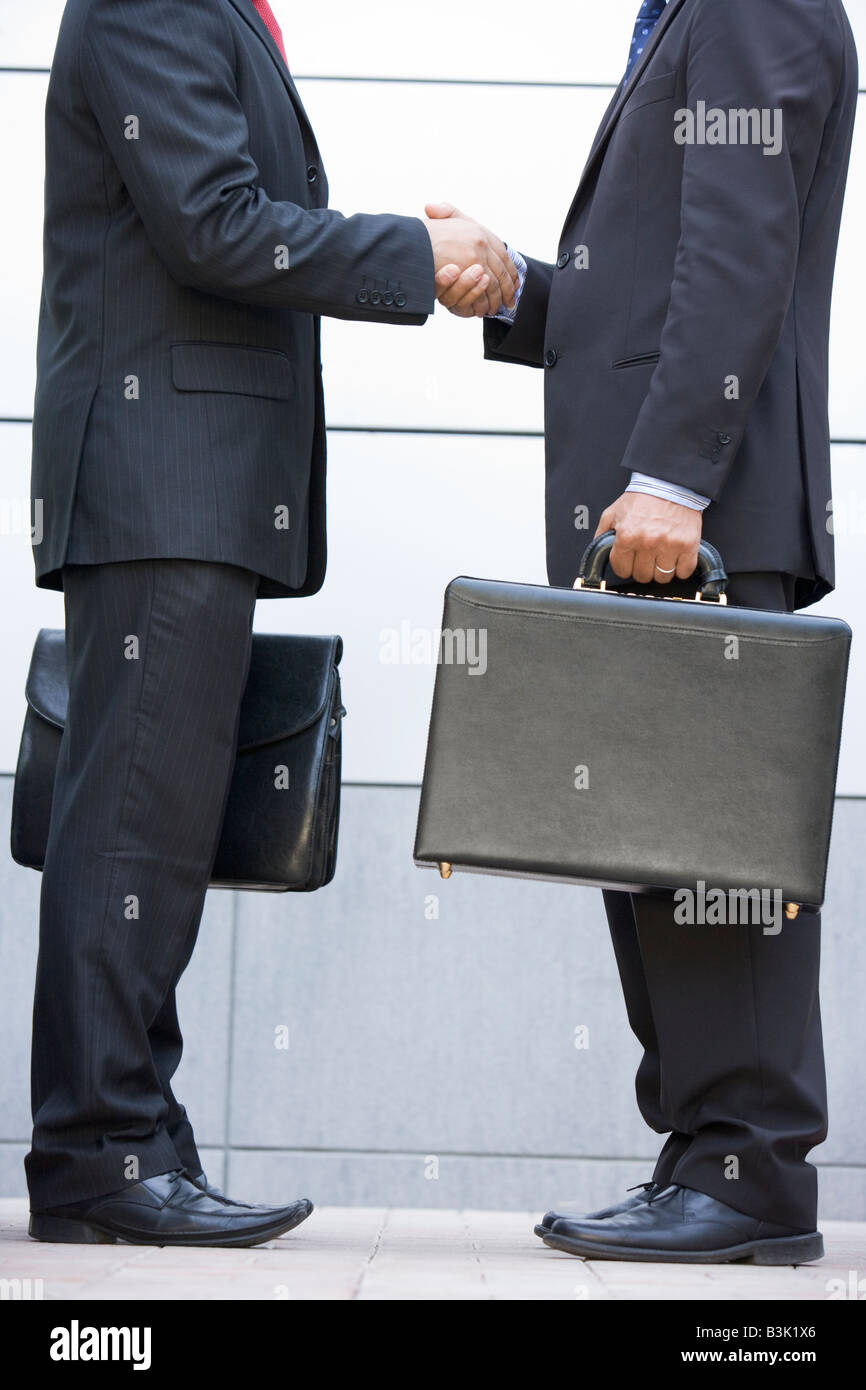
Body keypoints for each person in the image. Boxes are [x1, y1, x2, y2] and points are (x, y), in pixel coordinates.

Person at [26, 0, 512, 1247]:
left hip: (187, 484)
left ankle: (134, 1130)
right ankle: (102, 1151)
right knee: (135, 829)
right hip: (161, 483)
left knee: (159, 829)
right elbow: (214, 225)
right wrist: (415, 250)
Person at [433, 0, 858, 1264]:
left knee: (714, 860)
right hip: (660, 513)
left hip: (698, 507)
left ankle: (748, 1173)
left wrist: (672, 476)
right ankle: (705, 1157)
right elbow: (653, 280)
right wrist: (520, 289)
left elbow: (740, 248)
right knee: (661, 851)